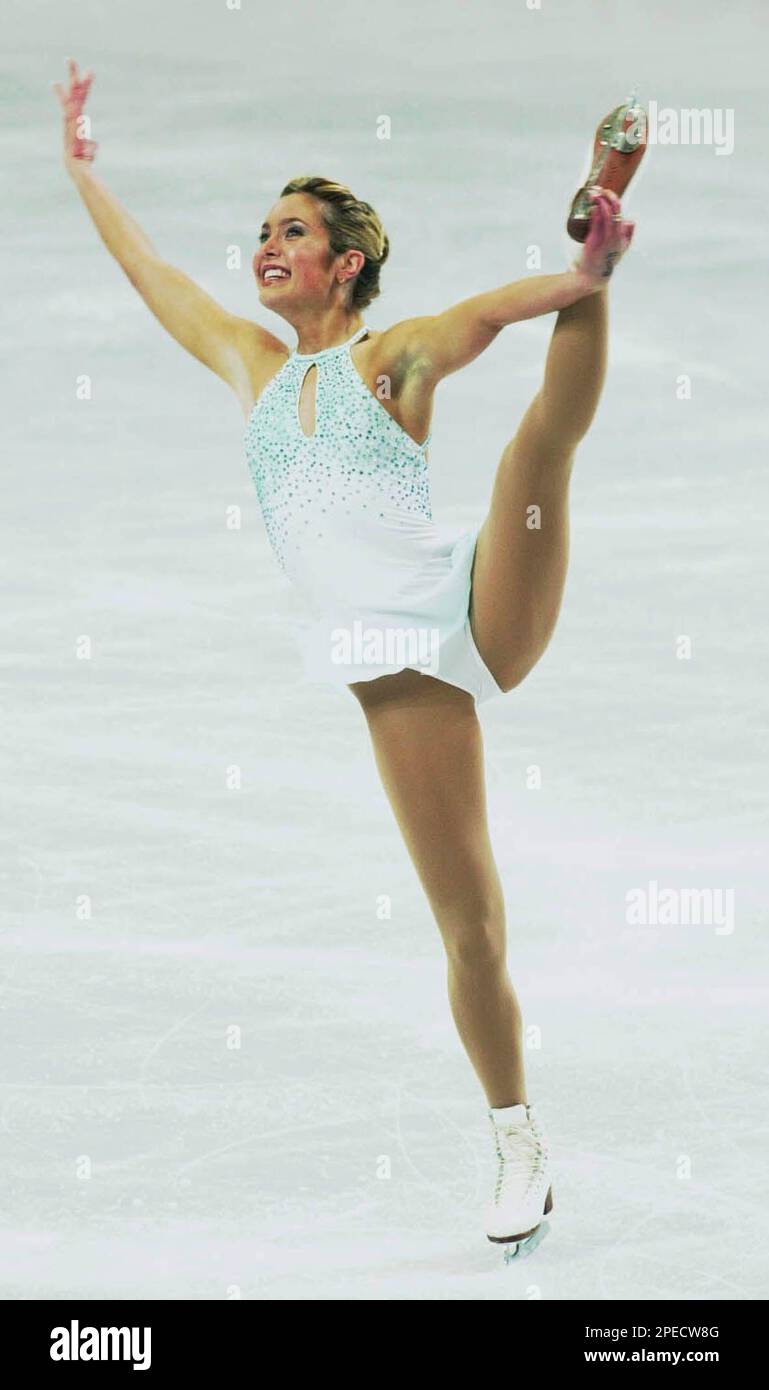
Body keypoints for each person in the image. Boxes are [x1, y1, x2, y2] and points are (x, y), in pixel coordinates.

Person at [53, 60, 644, 1257]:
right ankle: (516, 1136)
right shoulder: (250, 368)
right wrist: (80, 168)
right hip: (395, 674)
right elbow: (151, 274)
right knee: (470, 926)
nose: (266, 246)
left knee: (539, 442)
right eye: (263, 230)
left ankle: (597, 235)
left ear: (347, 264)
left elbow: (484, 315)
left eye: (293, 233)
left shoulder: (395, 358)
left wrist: (575, 276)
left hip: (477, 600)